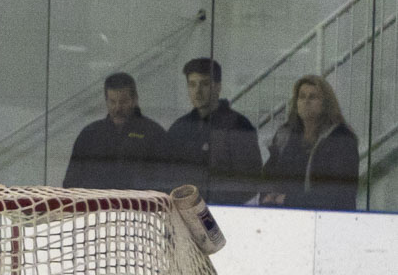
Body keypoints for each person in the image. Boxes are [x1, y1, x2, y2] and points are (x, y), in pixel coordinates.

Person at [164, 57, 263, 205]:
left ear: (218, 86)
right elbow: (167, 175)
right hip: (184, 211)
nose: (197, 91)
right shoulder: (180, 127)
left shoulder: (239, 126)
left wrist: (220, 205)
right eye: (192, 84)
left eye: (204, 84)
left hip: (225, 212)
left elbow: (250, 180)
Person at [259, 74, 360, 211]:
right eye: (302, 97)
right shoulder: (286, 135)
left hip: (328, 220)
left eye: (313, 97)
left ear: (325, 103)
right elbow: (268, 175)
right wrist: (268, 197)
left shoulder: (341, 138)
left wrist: (288, 199)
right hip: (285, 217)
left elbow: (337, 193)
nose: (306, 101)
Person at [62, 72, 168, 191]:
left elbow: (164, 183)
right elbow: (71, 184)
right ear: (106, 101)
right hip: (96, 207)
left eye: (123, 102)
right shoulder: (89, 135)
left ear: (134, 100)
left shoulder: (154, 134)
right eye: (112, 102)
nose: (117, 108)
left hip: (140, 208)